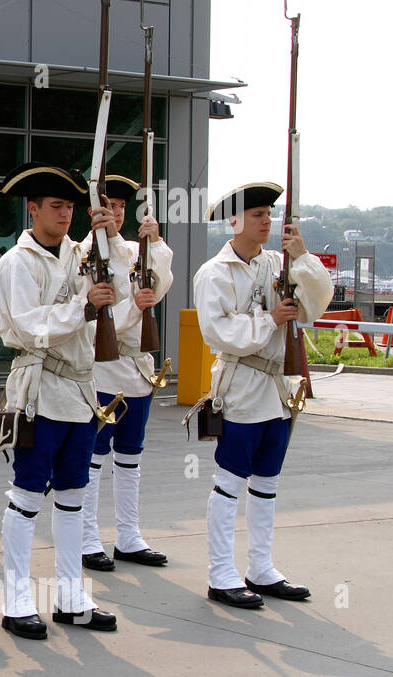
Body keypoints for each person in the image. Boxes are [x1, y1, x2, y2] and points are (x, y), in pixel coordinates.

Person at [0, 163, 127, 640]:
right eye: (56, 206)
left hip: (81, 390)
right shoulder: (17, 262)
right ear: (33, 209)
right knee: (28, 492)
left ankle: (72, 596)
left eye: (70, 206)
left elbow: (123, 300)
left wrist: (113, 242)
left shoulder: (83, 254)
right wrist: (83, 306)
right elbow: (30, 327)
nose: (65, 214)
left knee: (74, 494)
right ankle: (17, 600)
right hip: (40, 388)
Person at [193, 183, 332, 608]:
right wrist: (270, 319)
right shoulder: (214, 272)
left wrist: (303, 258)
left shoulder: (279, 263)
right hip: (241, 387)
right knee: (230, 480)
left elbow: (318, 302)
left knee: (268, 481)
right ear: (234, 222)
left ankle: (261, 567)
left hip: (277, 389)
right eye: (256, 214)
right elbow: (218, 331)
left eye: (269, 214)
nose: (266, 221)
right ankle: (221, 573)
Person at [81, 175, 174, 571]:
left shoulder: (137, 250)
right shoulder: (85, 253)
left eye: (120, 207)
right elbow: (100, 319)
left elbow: (160, 280)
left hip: (136, 366)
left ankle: (129, 535)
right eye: (108, 206)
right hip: (102, 365)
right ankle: (86, 537)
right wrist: (136, 307)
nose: (115, 213)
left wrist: (156, 243)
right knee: (94, 453)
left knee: (131, 453)